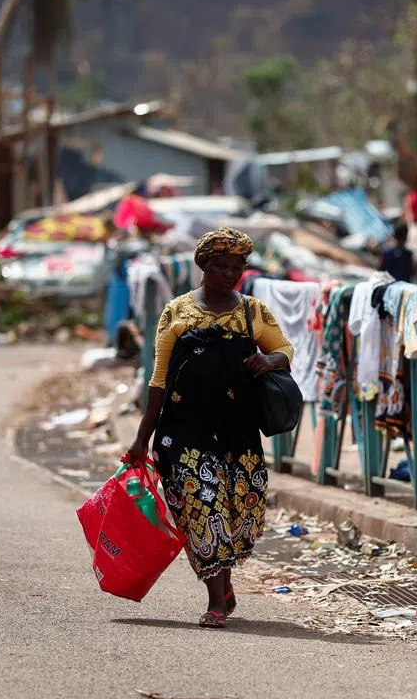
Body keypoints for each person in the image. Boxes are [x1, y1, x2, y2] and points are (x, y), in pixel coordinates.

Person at [125, 227, 294, 629]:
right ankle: (216, 599)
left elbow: (284, 349)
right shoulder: (177, 312)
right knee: (203, 506)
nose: (230, 274)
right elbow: (158, 381)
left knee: (237, 509)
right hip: (184, 431)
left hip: (238, 431)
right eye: (221, 266)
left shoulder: (253, 312)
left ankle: (224, 583)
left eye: (237, 267)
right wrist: (141, 439)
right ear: (203, 266)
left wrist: (268, 361)